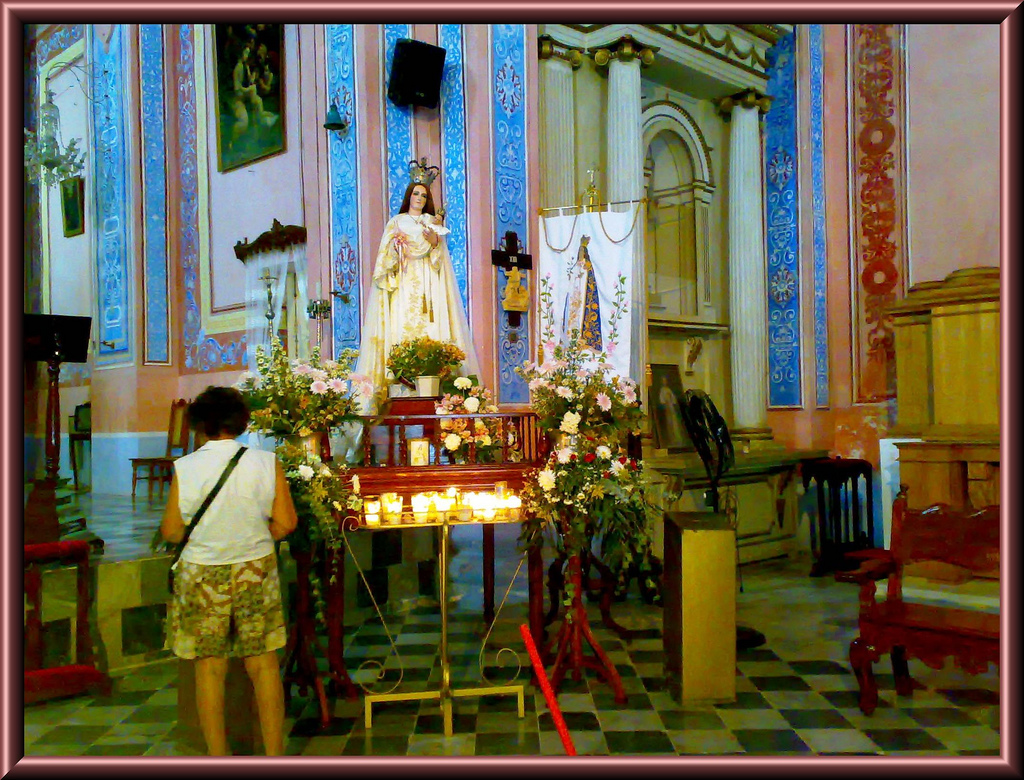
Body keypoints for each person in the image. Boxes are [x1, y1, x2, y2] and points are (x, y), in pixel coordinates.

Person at [161, 386, 297, 756]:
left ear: (198, 425)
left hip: (202, 572)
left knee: (210, 670)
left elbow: (172, 531)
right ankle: (275, 755)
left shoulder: (185, 467)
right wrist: (250, 538)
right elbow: (286, 522)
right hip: (255, 568)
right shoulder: (266, 462)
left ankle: (218, 758)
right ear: (242, 421)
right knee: (264, 665)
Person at [352, 173, 481, 412]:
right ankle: (401, 380)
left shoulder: (432, 222)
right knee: (402, 326)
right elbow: (384, 256)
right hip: (404, 280)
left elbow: (438, 260)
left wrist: (434, 242)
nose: (419, 198)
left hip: (428, 284)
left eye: (424, 195)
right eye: (416, 193)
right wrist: (396, 247)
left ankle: (434, 386)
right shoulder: (397, 221)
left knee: (432, 326)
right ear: (409, 196)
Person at [562, 234, 603, 351]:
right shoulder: (576, 266)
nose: (580, 254)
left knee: (584, 315)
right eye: (579, 251)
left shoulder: (588, 266)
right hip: (575, 294)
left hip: (584, 294)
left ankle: (585, 339)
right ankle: (570, 339)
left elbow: (589, 280)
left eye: (582, 251)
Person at [656, 374, 686, 449]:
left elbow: (674, 399)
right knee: (670, 425)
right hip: (667, 409)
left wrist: (671, 401)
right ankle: (672, 440)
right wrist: (666, 402)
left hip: (672, 408)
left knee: (675, 424)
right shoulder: (662, 390)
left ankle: (678, 440)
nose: (664, 382)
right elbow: (662, 400)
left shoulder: (668, 389)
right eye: (663, 381)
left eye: (665, 381)